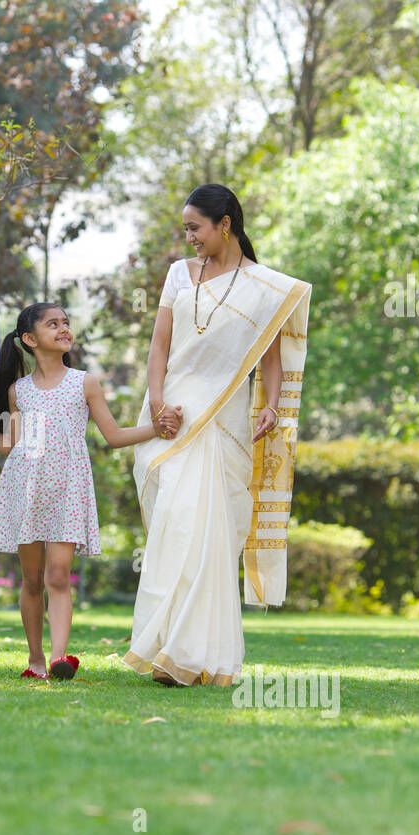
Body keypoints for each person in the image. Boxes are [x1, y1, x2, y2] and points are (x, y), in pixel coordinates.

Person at [124, 184, 312, 688]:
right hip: (173, 416)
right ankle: (169, 646)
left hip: (224, 421)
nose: (189, 238)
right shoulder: (178, 276)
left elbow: (268, 357)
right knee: (176, 525)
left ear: (224, 223)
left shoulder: (264, 286)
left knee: (209, 536)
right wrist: (158, 401)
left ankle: (188, 657)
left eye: (195, 227)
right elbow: (158, 347)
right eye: (185, 228)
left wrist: (271, 405)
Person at [0, 303, 183, 680]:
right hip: (27, 489)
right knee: (32, 580)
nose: (64, 329)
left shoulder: (84, 383)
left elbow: (113, 436)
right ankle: (35, 660)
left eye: (66, 322)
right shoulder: (19, 391)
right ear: (30, 340)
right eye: (53, 324)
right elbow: (14, 445)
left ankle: (59, 658)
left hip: (67, 488)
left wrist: (157, 428)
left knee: (58, 576)